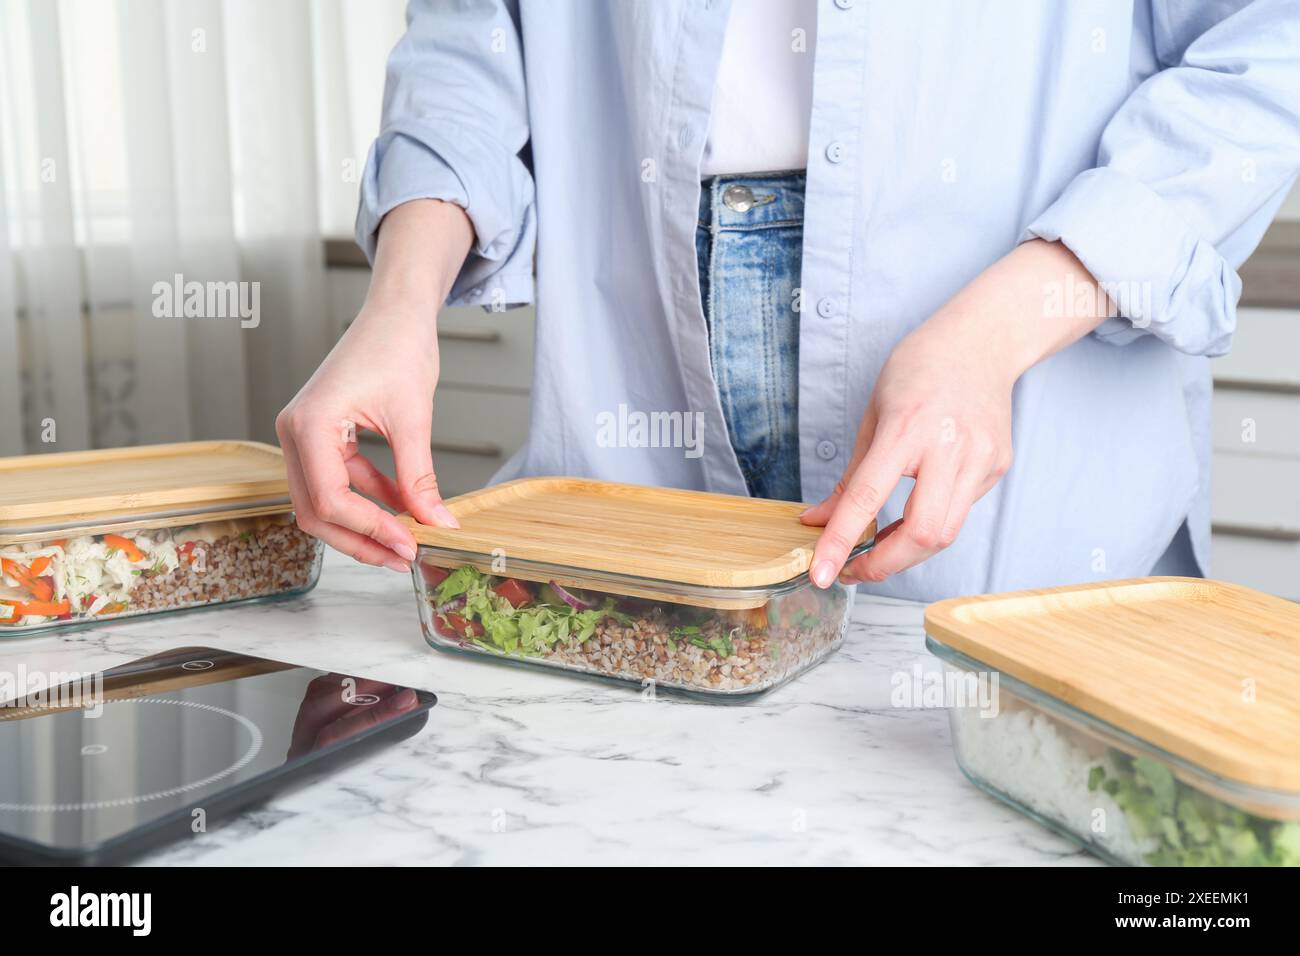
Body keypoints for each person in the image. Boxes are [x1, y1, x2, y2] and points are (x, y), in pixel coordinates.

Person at [277, 0, 1300, 602]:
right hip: (636, 372)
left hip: (1024, 375)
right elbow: (471, 33)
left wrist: (1001, 328)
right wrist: (400, 300)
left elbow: (1266, 46)